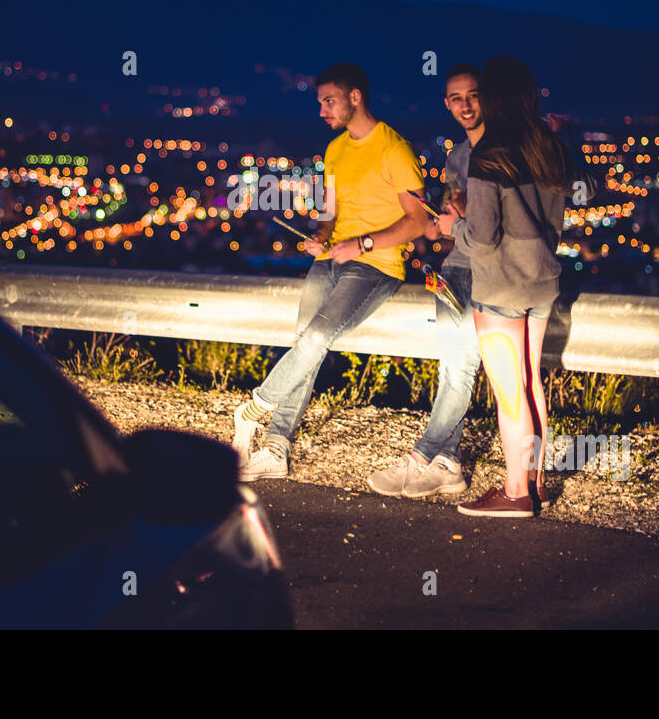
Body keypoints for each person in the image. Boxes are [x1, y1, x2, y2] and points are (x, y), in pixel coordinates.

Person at [234, 63, 429, 480]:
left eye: (329, 101)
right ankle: (275, 449)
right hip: (332, 259)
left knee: (318, 337)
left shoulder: (396, 149)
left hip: (376, 265)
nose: (322, 110)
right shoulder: (336, 149)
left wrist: (361, 244)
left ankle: (253, 410)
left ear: (355, 97)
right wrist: (320, 236)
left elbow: (418, 222)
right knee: (306, 343)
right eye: (319, 102)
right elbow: (330, 211)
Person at [435, 56, 593, 517]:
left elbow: (482, 239)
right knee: (531, 385)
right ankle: (536, 482)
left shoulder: (491, 154)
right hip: (543, 283)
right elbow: (588, 186)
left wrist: (453, 226)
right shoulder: (549, 145)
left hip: (501, 289)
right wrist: (561, 137)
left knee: (509, 393)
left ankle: (515, 493)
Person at [367, 63, 485, 498]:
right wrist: (435, 221)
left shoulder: (505, 152)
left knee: (459, 367)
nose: (465, 105)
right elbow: (450, 221)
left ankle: (425, 456)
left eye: (473, 95)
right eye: (456, 98)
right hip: (455, 269)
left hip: (488, 271)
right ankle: (446, 464)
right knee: (452, 366)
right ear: (447, 104)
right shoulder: (456, 156)